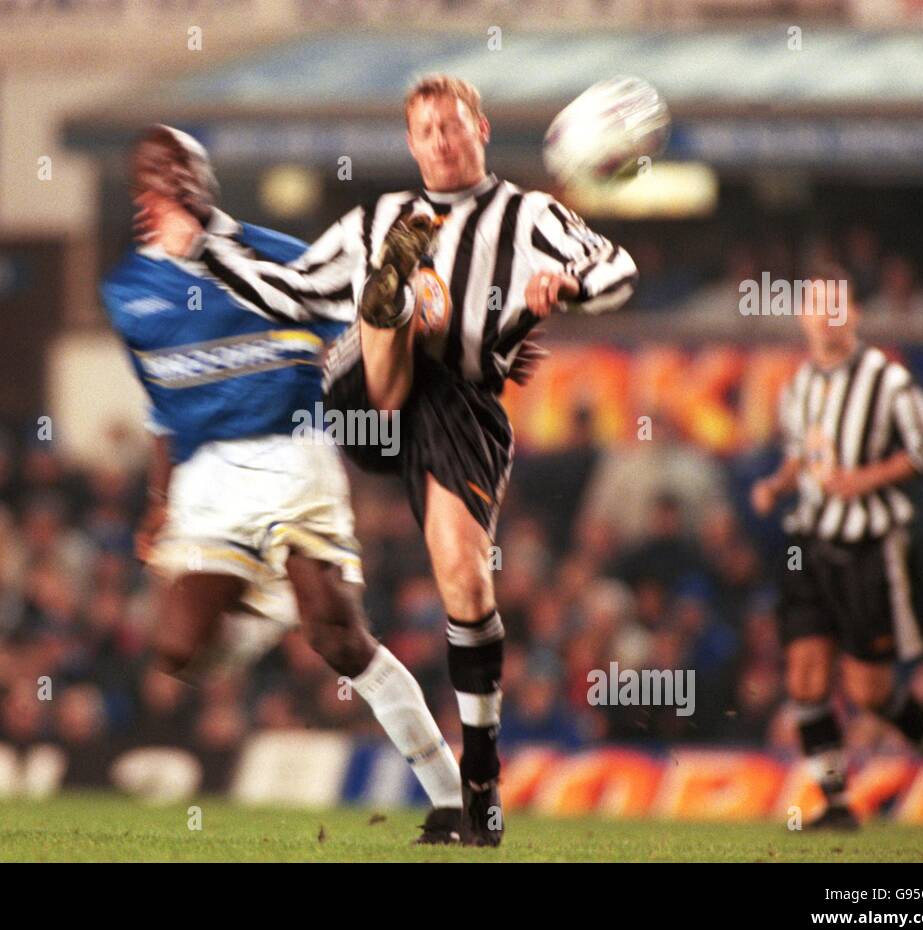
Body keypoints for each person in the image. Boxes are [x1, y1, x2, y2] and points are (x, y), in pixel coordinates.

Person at [157, 75, 638, 844]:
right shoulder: (376, 216)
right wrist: (210, 239)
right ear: (411, 144)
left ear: (480, 129)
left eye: (453, 125)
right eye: (427, 130)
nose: (443, 140)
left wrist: (567, 284)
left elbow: (618, 271)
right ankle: (393, 302)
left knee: (464, 577)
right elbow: (293, 292)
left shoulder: (532, 216)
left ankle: (479, 781)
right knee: (394, 306)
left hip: (459, 406)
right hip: (368, 394)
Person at [101, 125, 469, 843]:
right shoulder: (128, 294)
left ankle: (455, 798)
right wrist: (156, 500)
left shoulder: (285, 259)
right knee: (178, 654)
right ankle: (274, 599)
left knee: (337, 636)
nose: (165, 191)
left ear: (205, 184)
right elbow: (158, 409)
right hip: (206, 481)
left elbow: (371, 339)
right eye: (151, 180)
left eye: (178, 175)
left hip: (294, 457)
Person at [750, 269, 923, 829]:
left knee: (869, 691)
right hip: (810, 542)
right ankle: (836, 802)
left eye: (836, 306)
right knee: (803, 675)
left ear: (855, 315)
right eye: (817, 306)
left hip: (868, 549)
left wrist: (866, 479)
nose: (826, 316)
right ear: (803, 317)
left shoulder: (885, 380)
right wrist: (777, 484)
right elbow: (807, 454)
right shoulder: (798, 386)